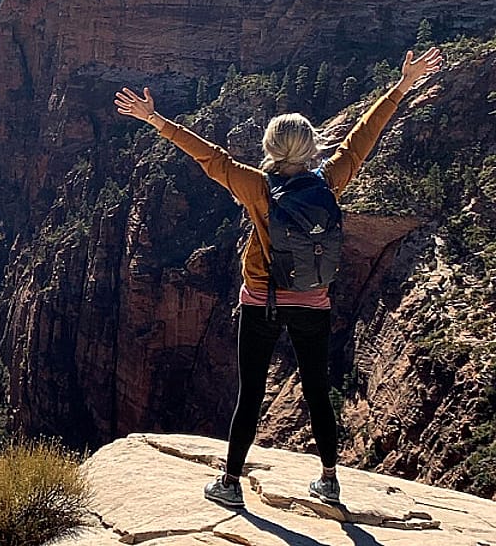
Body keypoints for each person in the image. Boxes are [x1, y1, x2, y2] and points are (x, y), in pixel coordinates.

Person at [114, 47, 443, 508]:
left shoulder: (257, 187)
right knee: (316, 389)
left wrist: (156, 120)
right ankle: (329, 481)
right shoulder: (328, 182)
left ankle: (229, 485)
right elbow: (363, 137)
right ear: (310, 149)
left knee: (251, 391)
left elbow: (209, 157)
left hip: (262, 300)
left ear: (270, 149)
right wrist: (402, 85)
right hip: (313, 299)